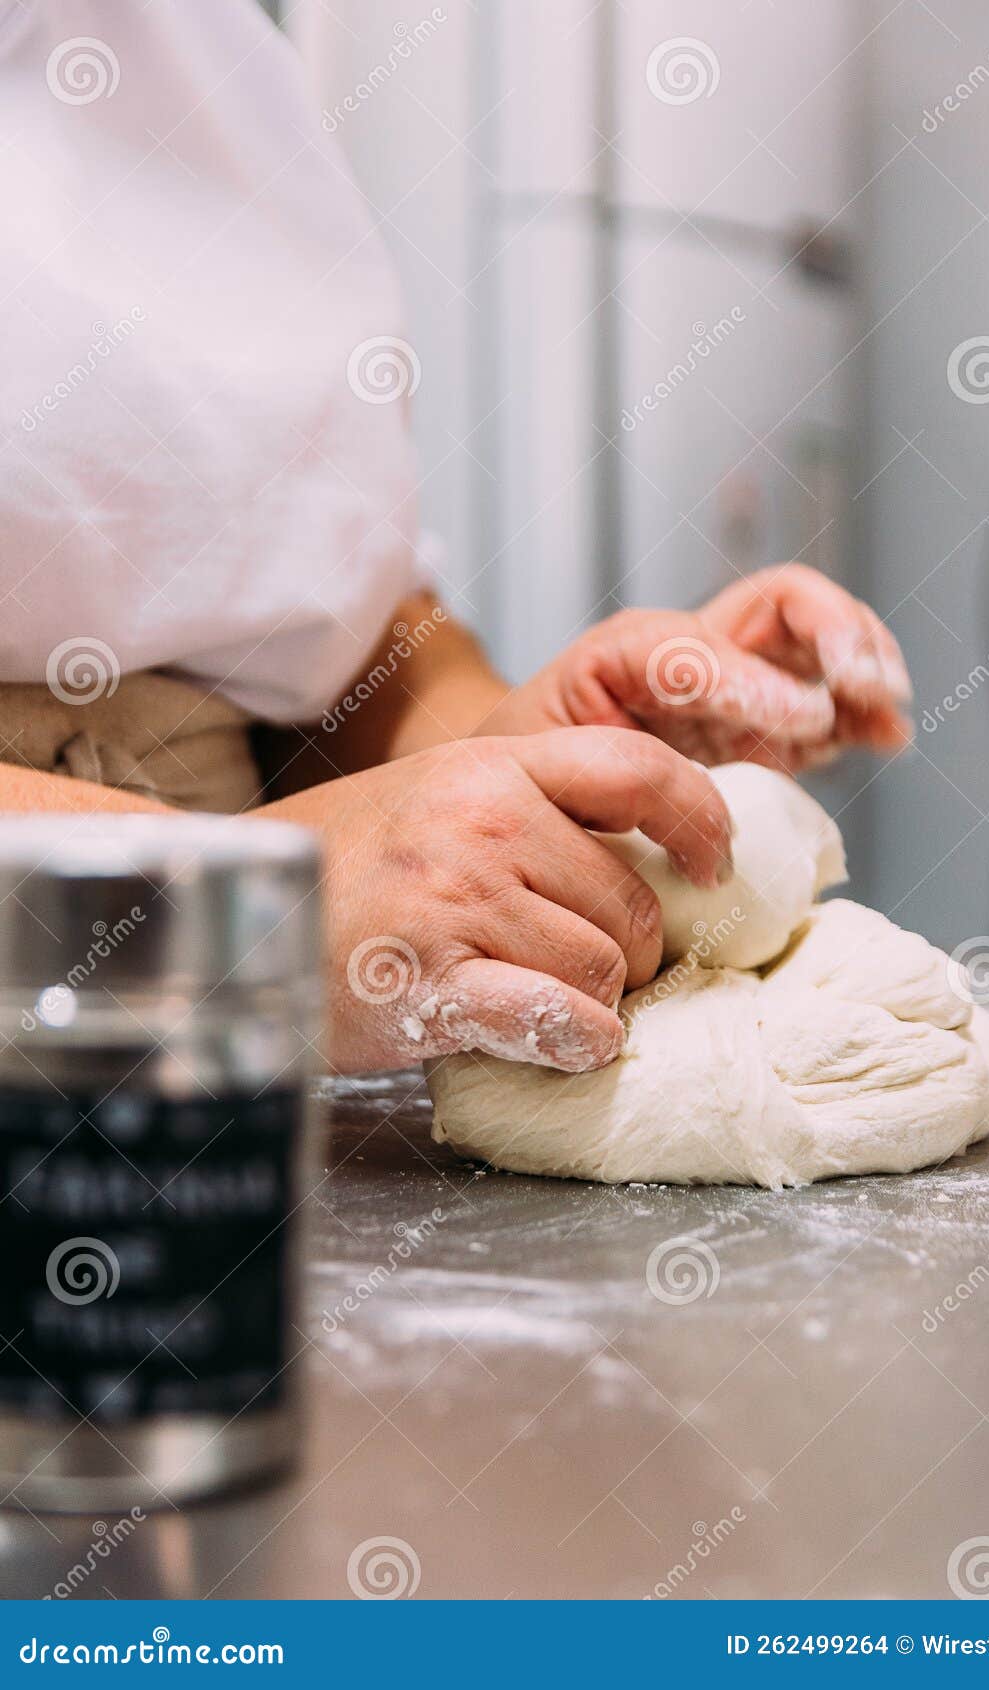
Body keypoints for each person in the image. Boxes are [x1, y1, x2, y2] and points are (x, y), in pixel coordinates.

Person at [0, 0, 911, 1075]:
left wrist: (507, 742)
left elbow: (331, 626)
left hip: (231, 1081)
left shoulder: (217, 54)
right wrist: (240, 914)